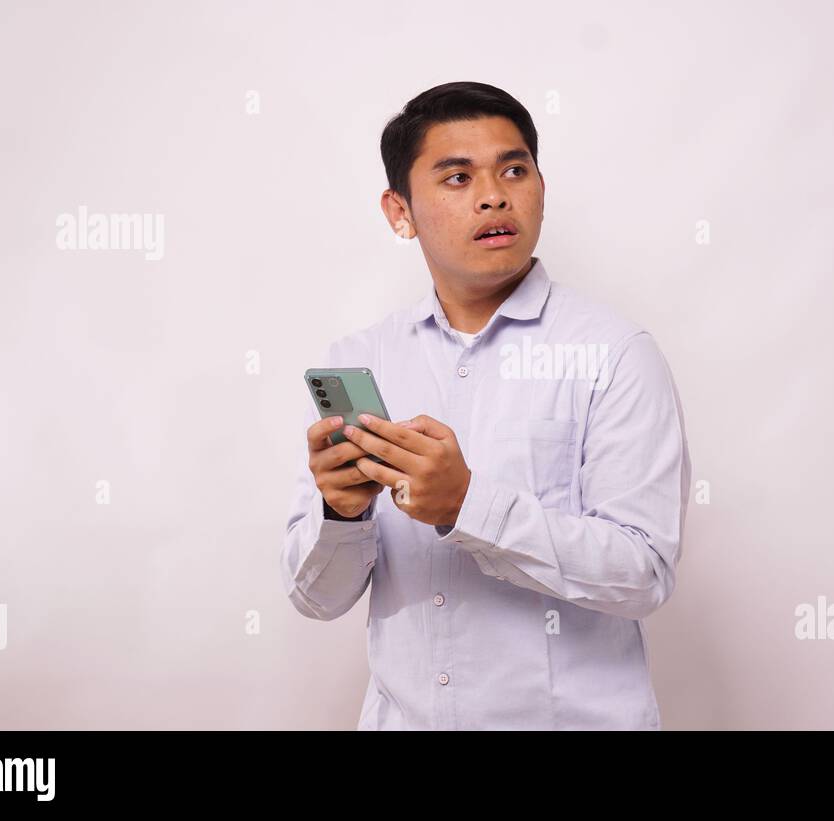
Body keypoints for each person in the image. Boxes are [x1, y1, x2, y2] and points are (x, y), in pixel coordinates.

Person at [280, 81, 692, 730]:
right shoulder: (364, 359)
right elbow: (317, 598)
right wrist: (341, 510)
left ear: (541, 187)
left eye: (514, 168)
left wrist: (469, 504)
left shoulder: (614, 353)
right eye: (456, 176)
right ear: (399, 212)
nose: (495, 194)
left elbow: (643, 573)